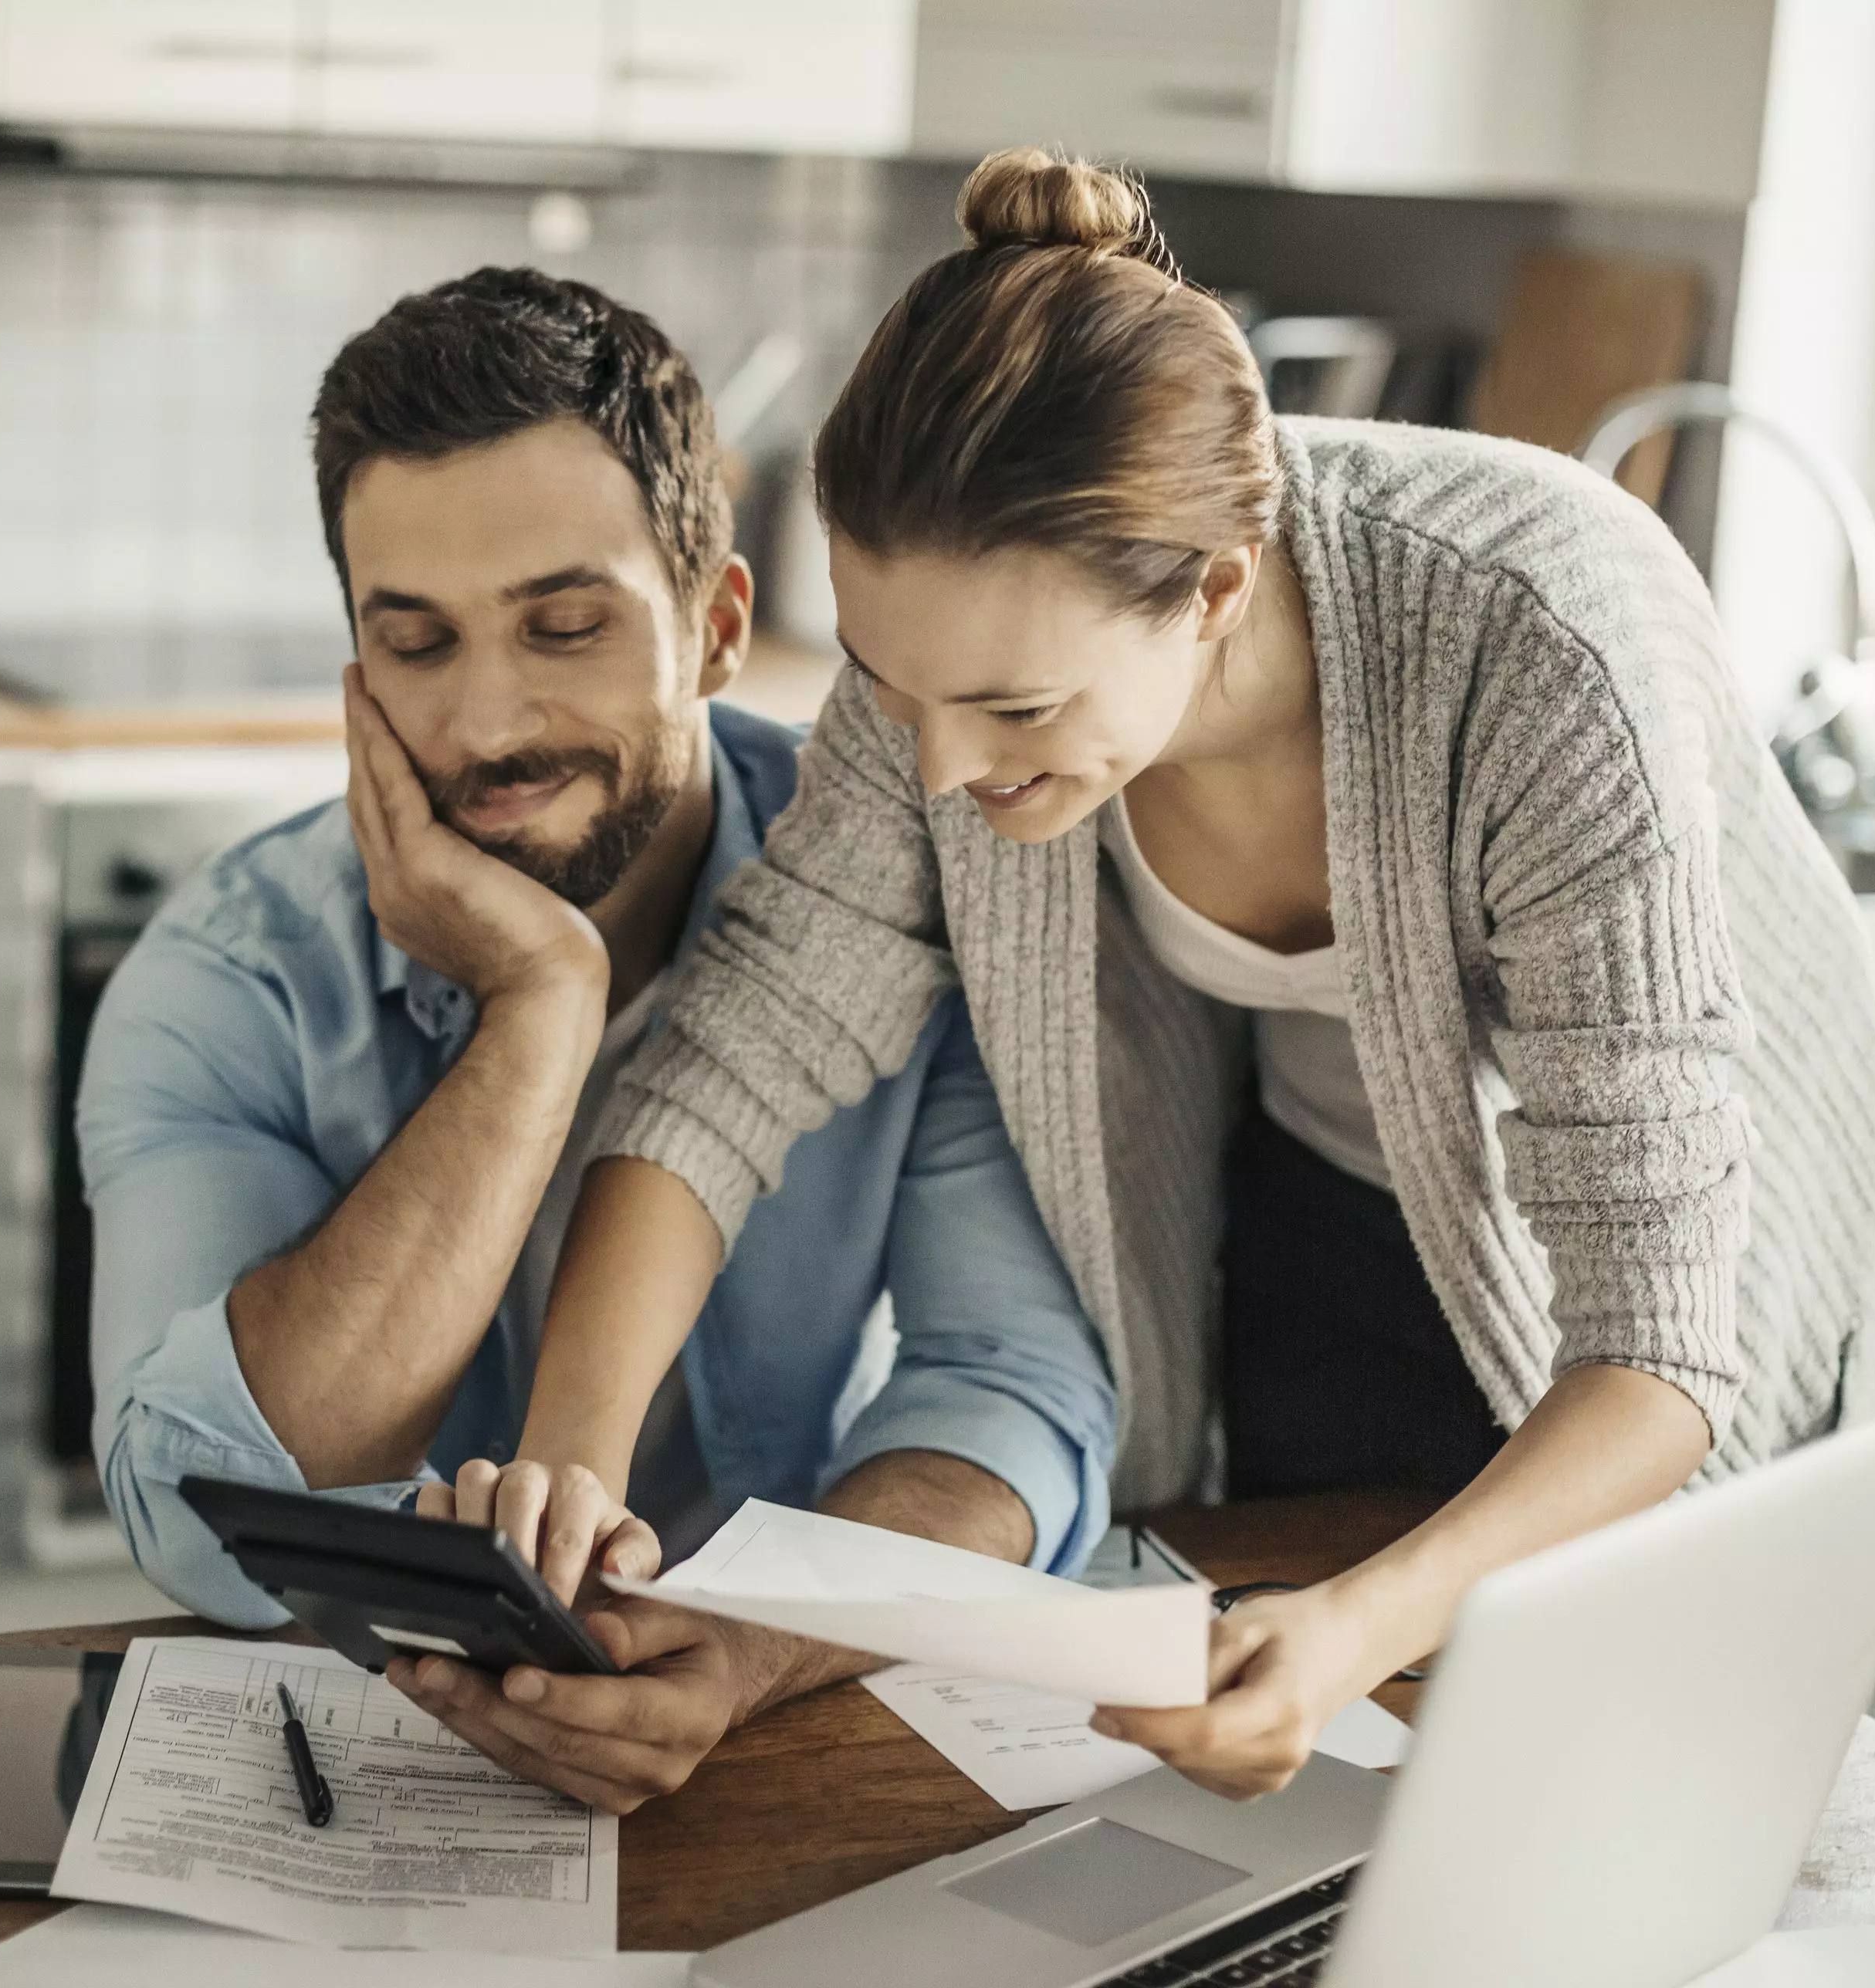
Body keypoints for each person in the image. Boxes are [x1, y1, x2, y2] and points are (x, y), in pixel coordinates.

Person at [482, 151, 1875, 1800]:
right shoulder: (949, 684)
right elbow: (740, 1054)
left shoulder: (1543, 641)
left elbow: (1659, 1345)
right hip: (1324, 1213)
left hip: (1659, 1291)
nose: (941, 770)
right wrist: (568, 1471)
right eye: (891, 685)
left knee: (1640, 1776)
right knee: (1351, 1811)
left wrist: (1352, 1624)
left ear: (1219, 588)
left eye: (1015, 711)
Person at [78, 264, 1119, 1814]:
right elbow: (199, 1513)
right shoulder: (231, 977)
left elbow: (1011, 1399)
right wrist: (538, 1013)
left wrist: (757, 1643)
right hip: (378, 1770)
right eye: (418, 644)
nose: (490, 723)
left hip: (781, 1721)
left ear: (715, 629)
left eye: (563, 626)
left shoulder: (913, 902)